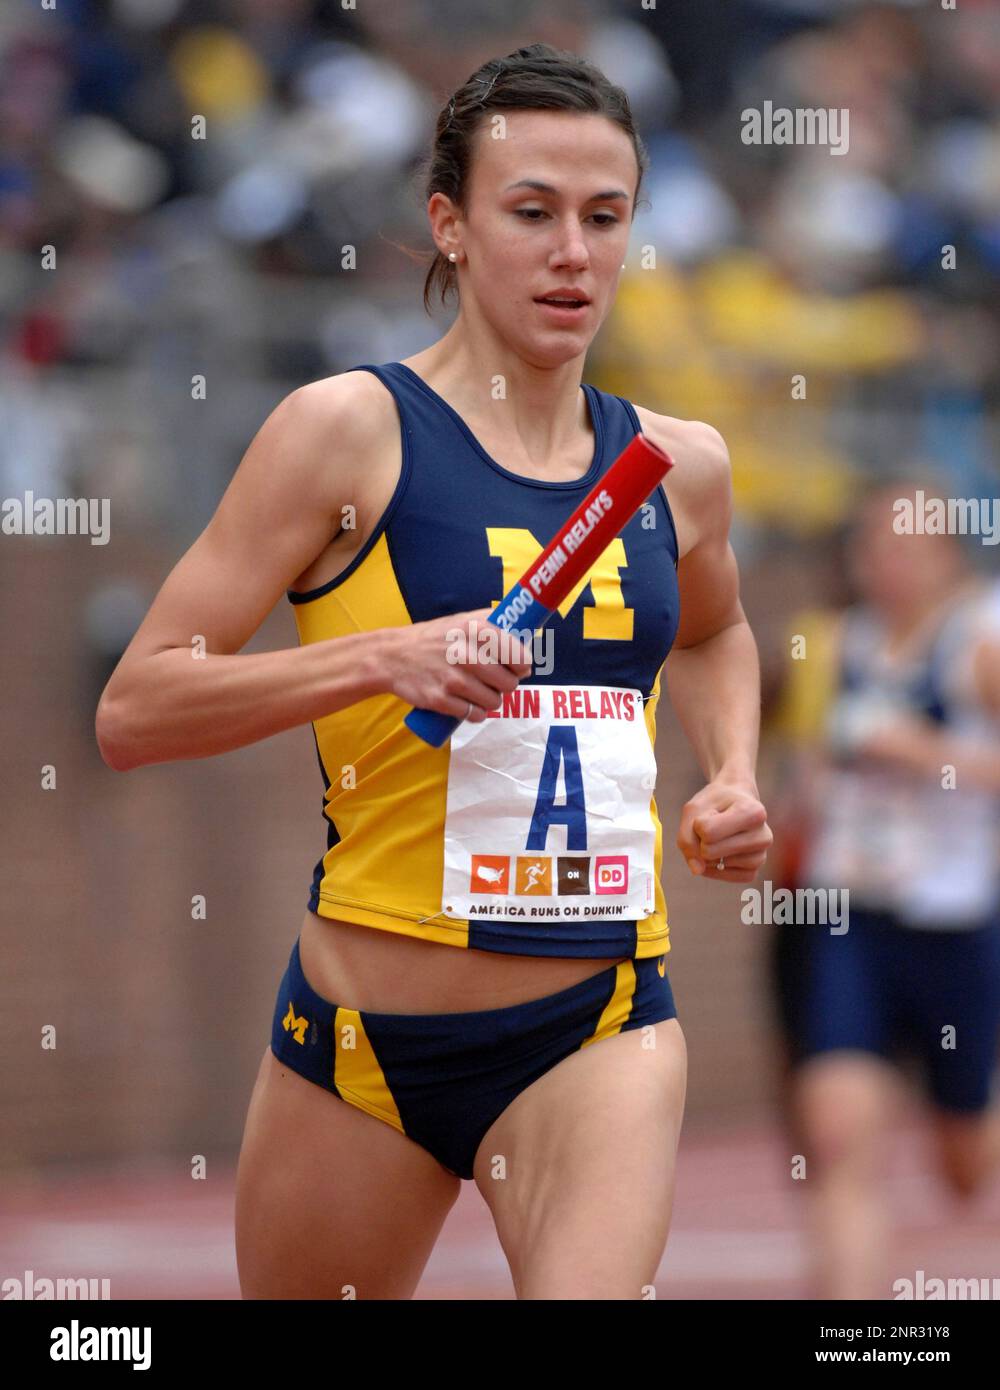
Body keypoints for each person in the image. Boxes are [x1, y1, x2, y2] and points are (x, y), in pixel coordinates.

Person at [95, 44, 771, 1300]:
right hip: (360, 1045)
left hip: (599, 1024)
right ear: (449, 226)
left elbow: (719, 629)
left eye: (603, 217)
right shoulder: (343, 432)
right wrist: (378, 656)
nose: (572, 251)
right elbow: (136, 708)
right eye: (531, 213)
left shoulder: (681, 466)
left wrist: (730, 772)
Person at [768, 481, 1000, 1300]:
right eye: (872, 546)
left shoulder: (979, 641)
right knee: (836, 1140)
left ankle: (973, 1120)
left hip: (956, 925)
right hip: (848, 918)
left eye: (907, 546)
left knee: (966, 1165)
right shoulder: (830, 646)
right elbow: (806, 773)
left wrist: (921, 750)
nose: (885, 564)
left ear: (947, 553)